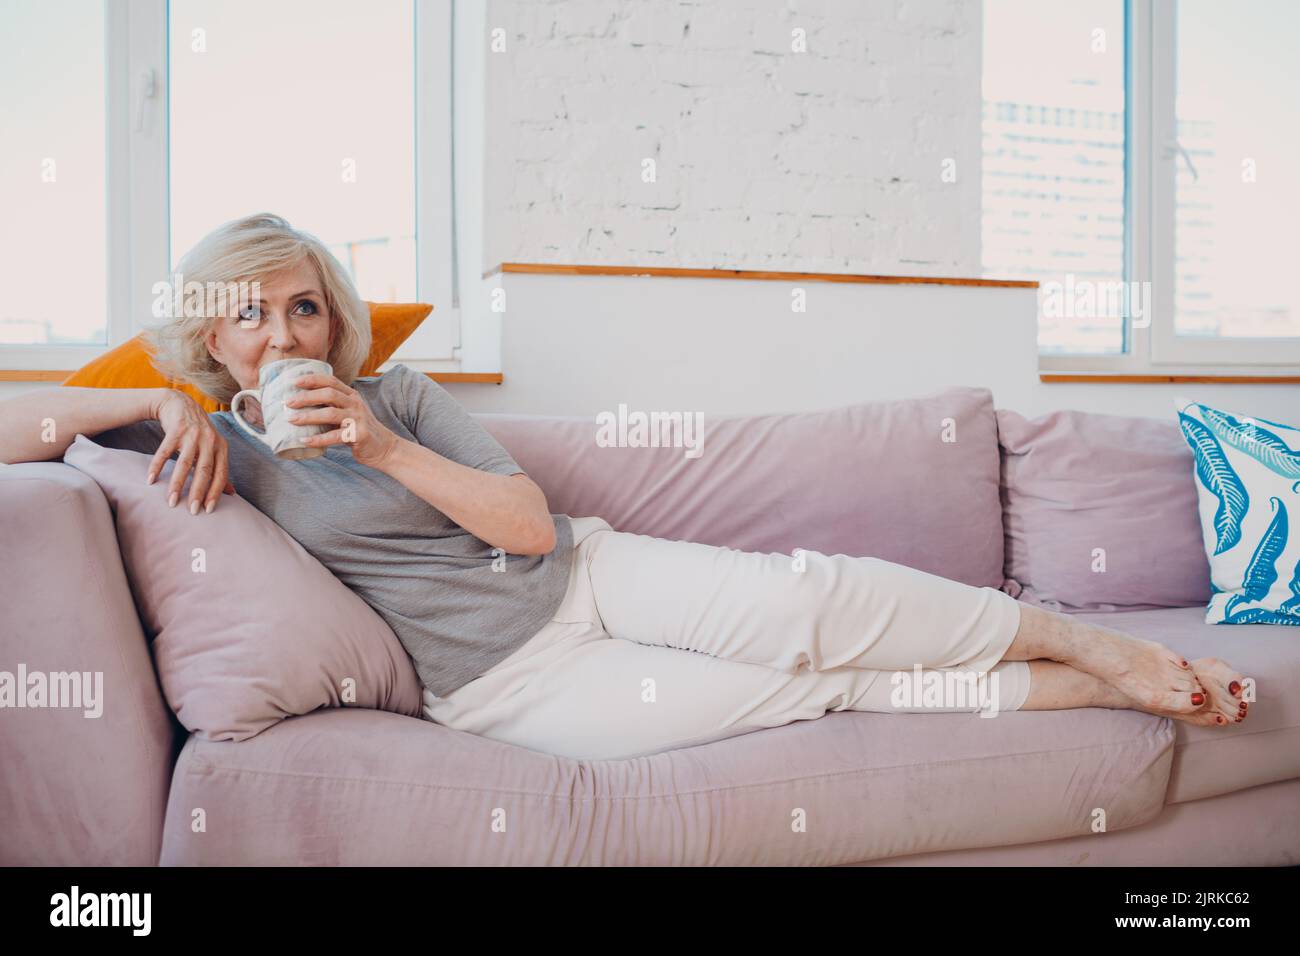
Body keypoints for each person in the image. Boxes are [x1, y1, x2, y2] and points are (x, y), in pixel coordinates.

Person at [0, 213, 1251, 762]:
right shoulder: (220, 443)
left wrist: (374, 444)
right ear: (211, 343)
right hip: (505, 686)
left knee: (809, 602)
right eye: (247, 317)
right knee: (806, 692)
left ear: (334, 324)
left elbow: (529, 525)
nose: (280, 335)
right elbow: (15, 432)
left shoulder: (402, 398)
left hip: (590, 571)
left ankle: (1091, 641)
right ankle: (1089, 682)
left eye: (304, 308)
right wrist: (149, 403)